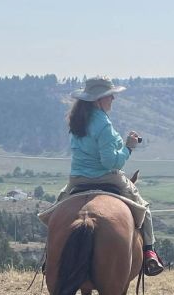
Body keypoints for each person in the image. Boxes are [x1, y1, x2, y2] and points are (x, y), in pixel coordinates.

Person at [56, 76, 162, 276]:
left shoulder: (77, 121)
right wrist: (129, 147)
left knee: (58, 206)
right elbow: (110, 162)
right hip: (106, 178)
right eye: (109, 95)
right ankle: (150, 253)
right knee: (144, 209)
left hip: (77, 179)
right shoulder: (103, 124)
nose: (113, 98)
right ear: (98, 100)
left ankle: (48, 258)